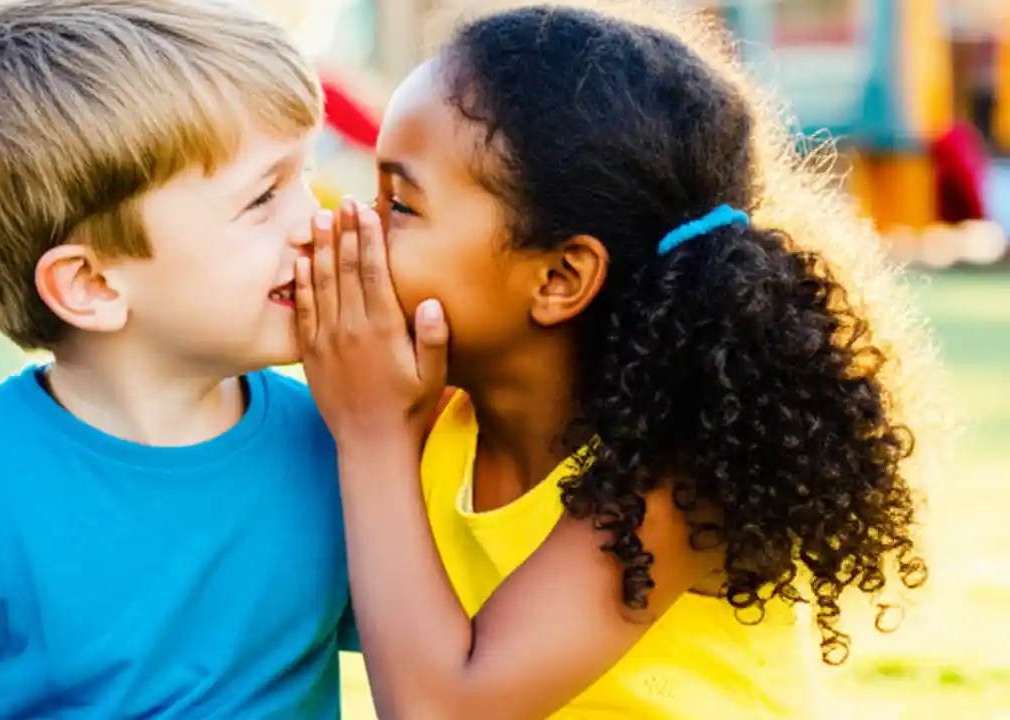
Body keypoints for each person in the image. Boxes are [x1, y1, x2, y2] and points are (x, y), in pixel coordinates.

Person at [297, 4, 940, 718]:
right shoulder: (436, 422)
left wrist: (374, 436)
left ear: (559, 279)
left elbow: (441, 708)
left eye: (399, 203)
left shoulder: (667, 485)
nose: (352, 223)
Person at [0, 1, 355, 717]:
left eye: (306, 173)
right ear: (93, 285)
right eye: (263, 197)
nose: (317, 220)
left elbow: (446, 666)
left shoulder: (340, 436)